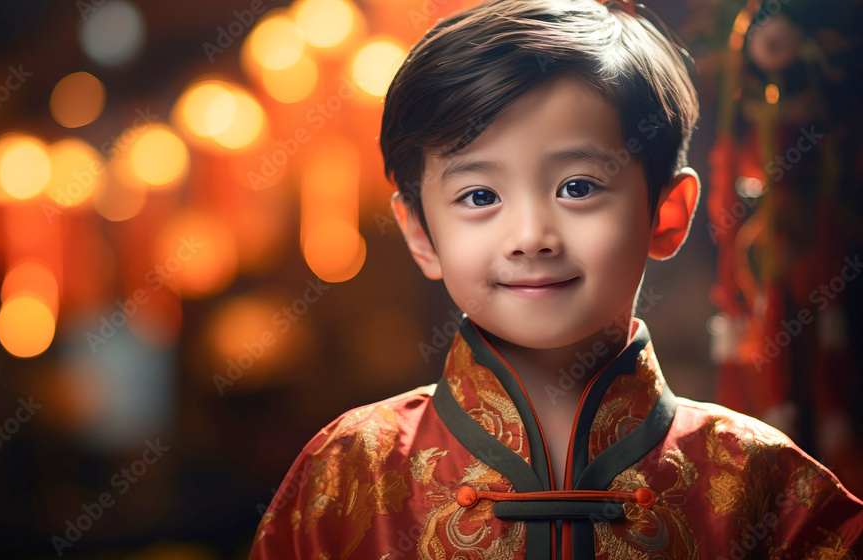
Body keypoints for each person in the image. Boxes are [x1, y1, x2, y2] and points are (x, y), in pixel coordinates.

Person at [248, 0, 863, 557]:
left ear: (666, 215)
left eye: (578, 187)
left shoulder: (765, 482)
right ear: (419, 233)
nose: (531, 236)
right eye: (480, 194)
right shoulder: (348, 473)